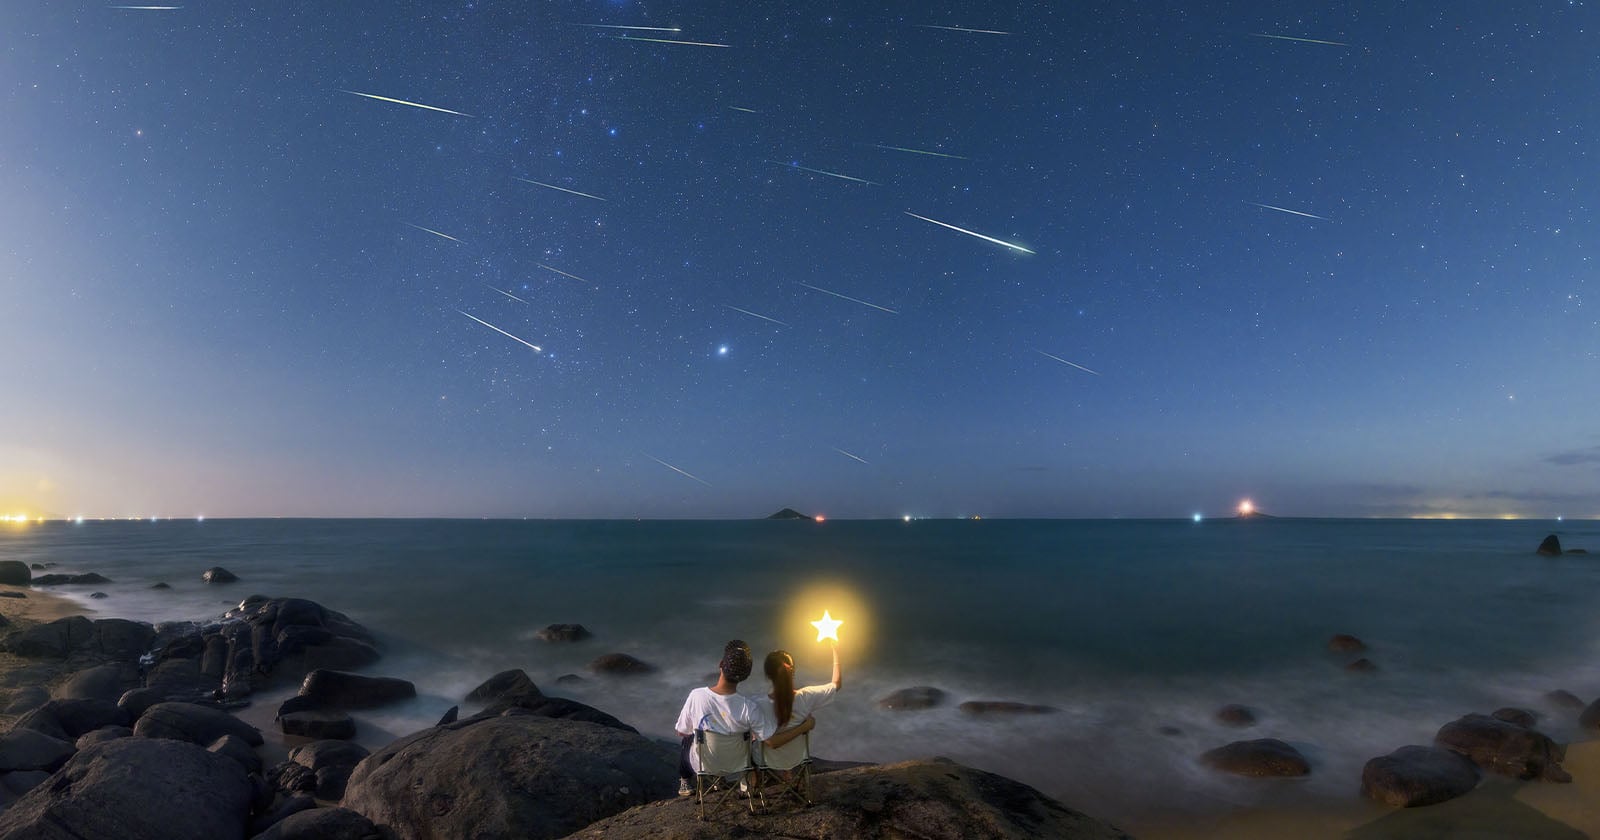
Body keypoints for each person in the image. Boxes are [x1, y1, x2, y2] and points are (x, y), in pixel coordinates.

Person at [674, 639, 815, 796]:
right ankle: (746, 785)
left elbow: (681, 731)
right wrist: (804, 726)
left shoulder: (697, 695)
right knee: (752, 739)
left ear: (721, 664)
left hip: (705, 763)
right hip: (738, 764)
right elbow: (772, 742)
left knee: (689, 737)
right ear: (745, 676)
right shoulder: (749, 706)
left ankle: (685, 782)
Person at [755, 641, 841, 765]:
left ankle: (753, 780)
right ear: (793, 671)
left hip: (767, 762)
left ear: (768, 675)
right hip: (795, 760)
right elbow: (836, 684)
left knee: (748, 737)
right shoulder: (806, 696)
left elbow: (772, 743)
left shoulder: (758, 704)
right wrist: (836, 651)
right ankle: (787, 774)